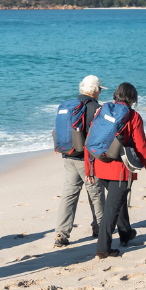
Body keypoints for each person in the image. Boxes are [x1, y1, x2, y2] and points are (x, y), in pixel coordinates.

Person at [86, 82, 146, 259]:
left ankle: (126, 233)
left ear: (116, 95)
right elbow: (141, 147)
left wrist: (89, 169)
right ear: (132, 98)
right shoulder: (133, 116)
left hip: (100, 166)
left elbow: (90, 138)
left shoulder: (102, 110)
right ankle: (103, 249)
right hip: (121, 171)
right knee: (112, 209)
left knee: (117, 201)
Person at [54, 75, 106, 248]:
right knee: (95, 191)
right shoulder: (96, 108)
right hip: (86, 159)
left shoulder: (70, 106)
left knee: (69, 195)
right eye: (99, 89)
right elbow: (98, 137)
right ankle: (100, 227)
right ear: (95, 90)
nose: (99, 92)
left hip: (68, 156)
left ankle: (61, 234)